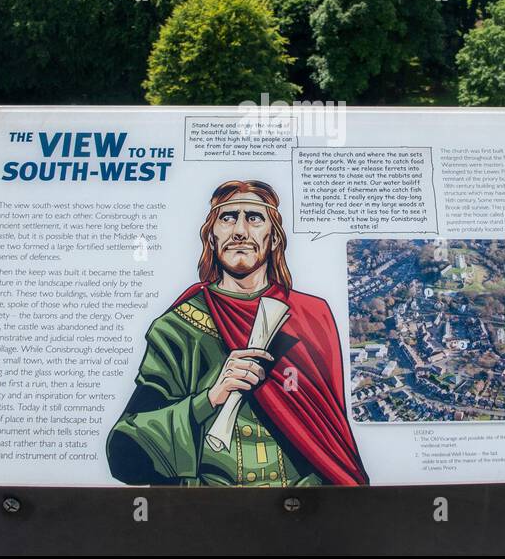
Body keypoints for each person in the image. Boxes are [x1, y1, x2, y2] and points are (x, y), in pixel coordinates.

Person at [107, 180, 368, 486]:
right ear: (211, 236)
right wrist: (210, 398)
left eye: (254, 218)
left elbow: (328, 436)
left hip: (301, 507)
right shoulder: (178, 327)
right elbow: (124, 452)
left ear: (273, 238)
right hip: (211, 509)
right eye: (228, 217)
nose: (240, 231)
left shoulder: (310, 316)